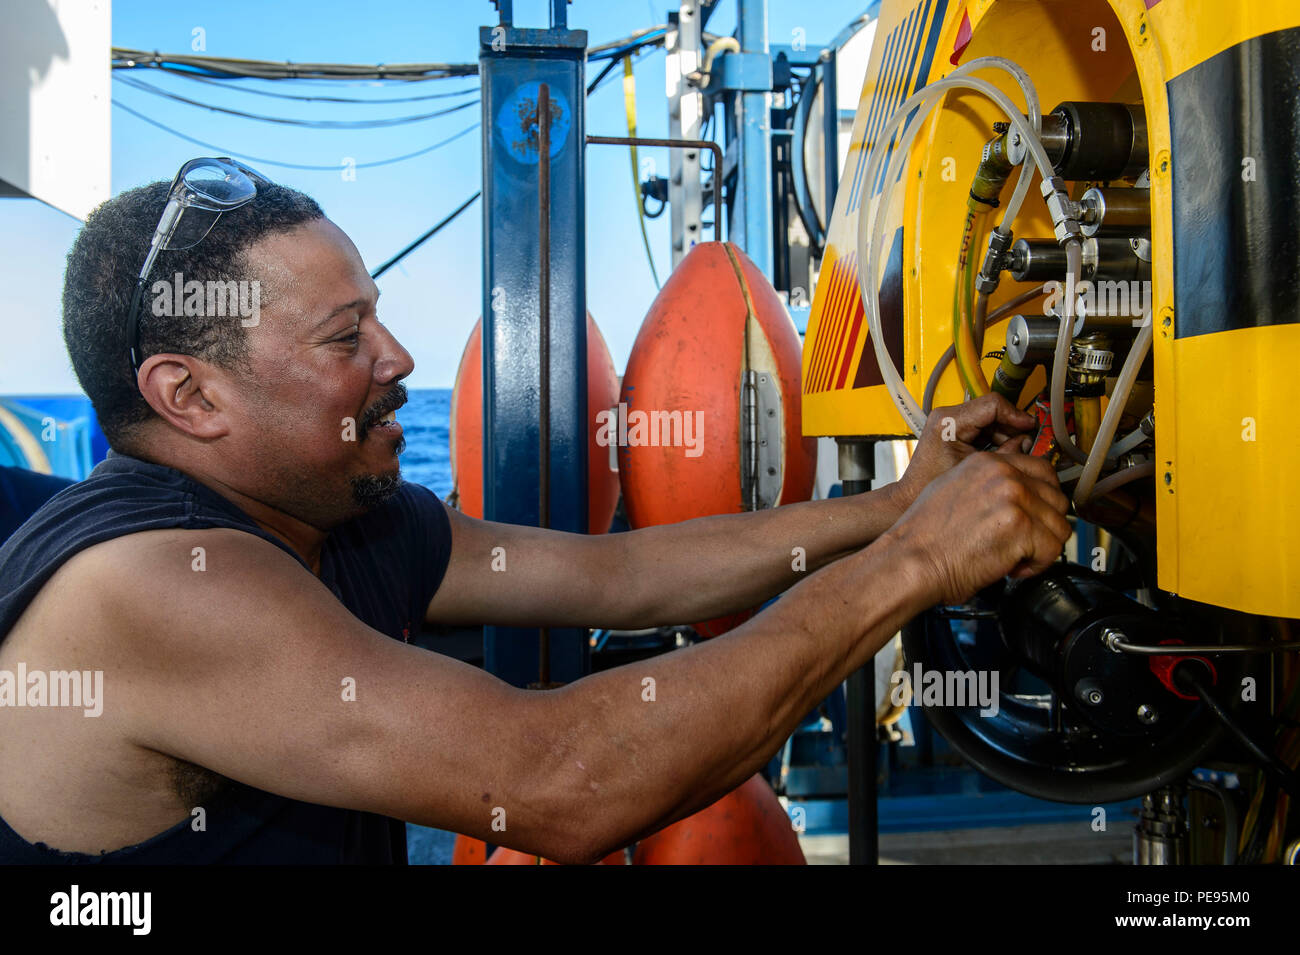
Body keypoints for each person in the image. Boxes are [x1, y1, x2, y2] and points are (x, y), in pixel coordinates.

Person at [0, 160, 1069, 864]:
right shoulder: (151, 583)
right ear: (191, 396)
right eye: (345, 337)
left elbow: (629, 576)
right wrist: (915, 563)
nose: (399, 359)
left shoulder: (341, 519)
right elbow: (560, 780)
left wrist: (894, 505)